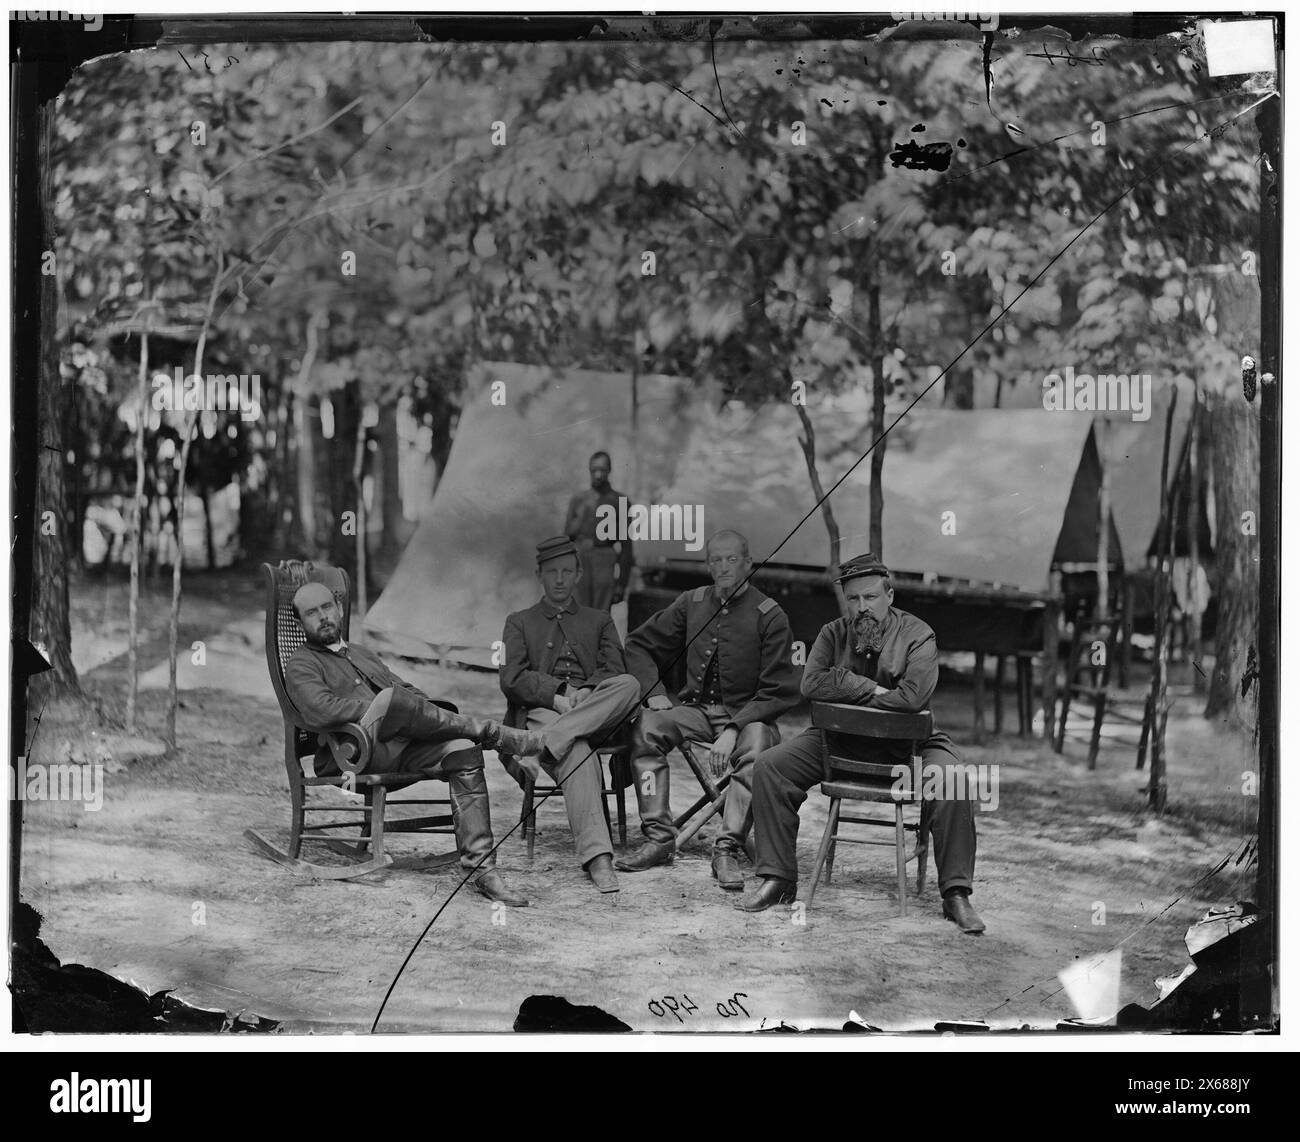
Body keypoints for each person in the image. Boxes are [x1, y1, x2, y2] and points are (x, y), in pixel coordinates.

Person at [738, 553, 985, 933]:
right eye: (852, 599)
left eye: (870, 597)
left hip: (909, 748)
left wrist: (845, 691)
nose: (861, 608)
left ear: (889, 594)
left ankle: (956, 893)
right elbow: (810, 684)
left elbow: (913, 699)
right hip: (839, 743)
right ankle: (778, 879)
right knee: (771, 766)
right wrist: (870, 687)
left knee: (951, 778)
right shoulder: (832, 633)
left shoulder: (919, 635)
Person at [285, 581, 551, 908]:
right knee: (393, 700)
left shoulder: (361, 653)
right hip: (354, 757)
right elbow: (321, 709)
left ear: (339, 608)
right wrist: (384, 707)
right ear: (300, 624)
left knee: (461, 750)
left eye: (327, 607)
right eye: (312, 613)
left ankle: (482, 869)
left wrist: (422, 711)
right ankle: (496, 734)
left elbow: (406, 688)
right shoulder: (301, 664)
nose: (323, 617)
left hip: (399, 747)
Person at [616, 529, 800, 888]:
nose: (724, 567)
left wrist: (734, 728)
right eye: (715, 560)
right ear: (707, 565)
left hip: (750, 718)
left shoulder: (770, 615)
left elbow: (779, 691)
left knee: (758, 746)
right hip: (697, 711)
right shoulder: (693, 601)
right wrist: (654, 692)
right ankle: (659, 837)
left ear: (748, 563)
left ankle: (727, 848)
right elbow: (638, 644)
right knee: (647, 726)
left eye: (732, 559)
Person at [499, 536, 643, 894]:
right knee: (577, 751)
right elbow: (511, 678)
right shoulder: (518, 622)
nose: (560, 579)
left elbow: (614, 668)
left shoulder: (600, 620)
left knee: (628, 684)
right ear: (539, 575)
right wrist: (558, 695)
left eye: (567, 571)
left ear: (579, 574)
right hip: (543, 714)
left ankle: (544, 745)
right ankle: (598, 859)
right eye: (552, 572)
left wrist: (587, 693)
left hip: (595, 714)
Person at [563, 450, 634, 611]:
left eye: (602, 470)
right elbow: (566, 539)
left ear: (609, 470)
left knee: (600, 616)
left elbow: (626, 547)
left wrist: (622, 584)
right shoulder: (579, 499)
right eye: (594, 470)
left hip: (604, 560)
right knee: (576, 615)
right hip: (581, 561)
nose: (598, 475)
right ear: (589, 470)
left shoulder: (619, 501)